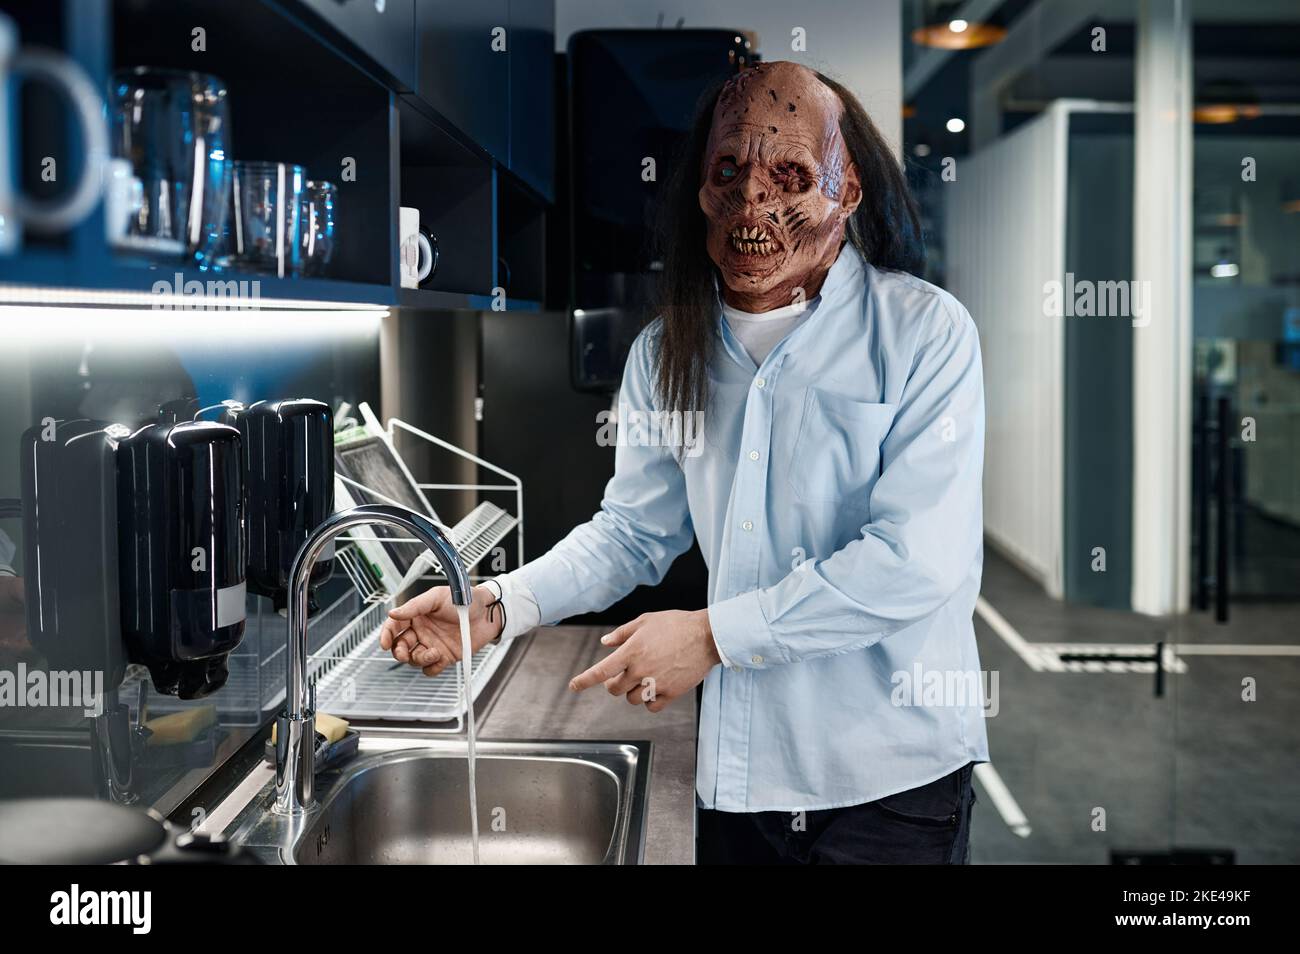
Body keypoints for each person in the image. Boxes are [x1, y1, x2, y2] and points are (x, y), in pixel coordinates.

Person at [380, 61, 988, 864]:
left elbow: (916, 563)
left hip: (889, 785)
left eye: (790, 174)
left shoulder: (924, 333)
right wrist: (495, 605)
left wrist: (711, 637)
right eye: (727, 171)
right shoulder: (667, 351)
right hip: (739, 777)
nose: (751, 202)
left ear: (848, 192)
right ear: (697, 191)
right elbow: (633, 532)